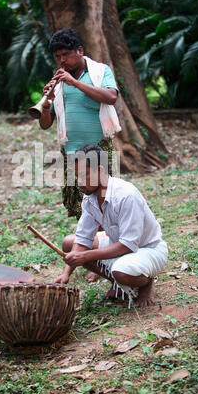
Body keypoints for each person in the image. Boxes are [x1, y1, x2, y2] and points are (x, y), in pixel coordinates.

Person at [54, 144, 168, 308]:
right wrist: (65, 274)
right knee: (70, 244)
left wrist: (84, 257)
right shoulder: (90, 197)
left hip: (148, 248)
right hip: (119, 245)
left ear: (99, 171)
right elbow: (83, 239)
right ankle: (118, 283)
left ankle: (145, 282)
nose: (78, 182)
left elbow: (128, 245)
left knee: (119, 271)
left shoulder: (126, 195)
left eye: (83, 175)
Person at [39, 28, 121, 221]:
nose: (62, 61)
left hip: (99, 148)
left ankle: (108, 243)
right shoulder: (58, 81)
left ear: (80, 51)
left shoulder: (100, 71)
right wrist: (45, 104)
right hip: (71, 152)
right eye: (58, 56)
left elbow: (111, 97)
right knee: (80, 205)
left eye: (66, 55)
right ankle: (88, 244)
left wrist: (75, 83)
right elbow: (45, 124)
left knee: (106, 198)